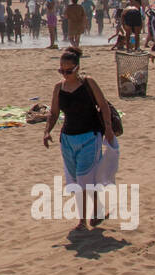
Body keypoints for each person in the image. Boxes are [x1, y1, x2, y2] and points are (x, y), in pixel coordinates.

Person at [42, 47, 116, 231]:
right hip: (67, 139)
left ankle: (82, 221)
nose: (65, 74)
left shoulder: (88, 83)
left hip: (90, 137)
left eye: (69, 71)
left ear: (77, 68)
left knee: (83, 180)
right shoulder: (59, 88)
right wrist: (46, 131)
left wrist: (108, 127)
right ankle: (98, 210)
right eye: (62, 71)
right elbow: (54, 112)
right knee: (77, 180)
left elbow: (104, 105)